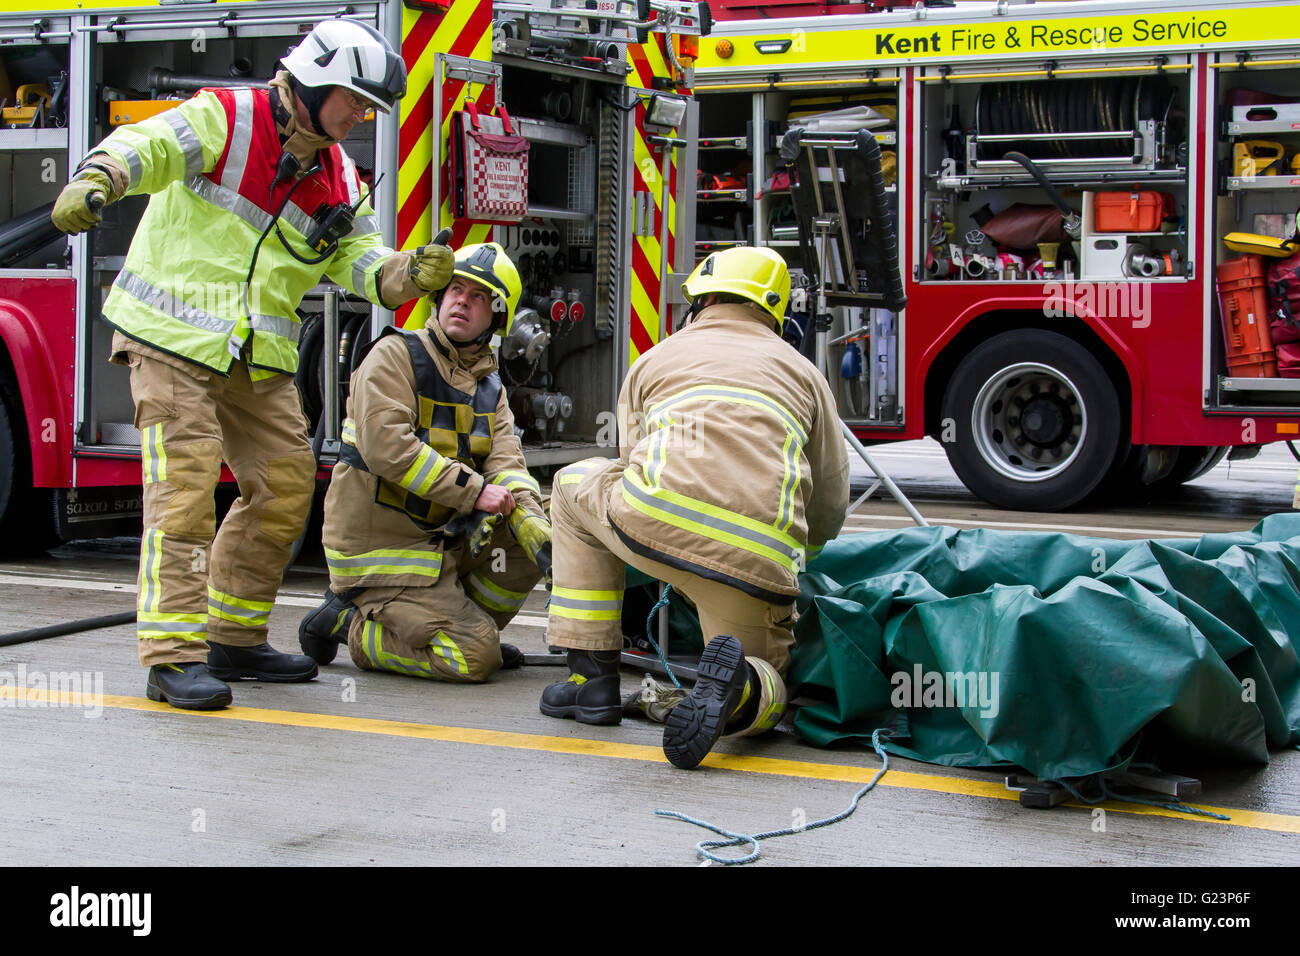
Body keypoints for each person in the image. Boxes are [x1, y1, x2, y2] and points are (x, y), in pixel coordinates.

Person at [50, 20, 456, 711]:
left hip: (253, 356)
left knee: (286, 488)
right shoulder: (229, 120)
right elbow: (149, 144)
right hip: (170, 338)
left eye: (367, 108)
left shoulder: (337, 173)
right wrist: (100, 176)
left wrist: (407, 274)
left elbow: (359, 266)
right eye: (355, 101)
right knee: (184, 493)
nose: (361, 116)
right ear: (318, 82)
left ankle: (232, 639)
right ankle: (172, 657)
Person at [539, 246, 849, 768]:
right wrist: (799, 559)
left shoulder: (655, 359)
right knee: (774, 684)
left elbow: (628, 461)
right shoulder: (804, 373)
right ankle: (741, 687)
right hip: (755, 560)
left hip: (654, 522)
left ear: (698, 303)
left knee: (574, 486)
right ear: (775, 313)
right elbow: (831, 499)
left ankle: (591, 680)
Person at [298, 242, 552, 683]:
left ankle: (472, 627)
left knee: (527, 535)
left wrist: (529, 514)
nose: (461, 300)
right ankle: (354, 627)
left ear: (497, 317)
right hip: (383, 552)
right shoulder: (395, 356)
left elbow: (506, 459)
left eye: (478, 297)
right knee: (473, 659)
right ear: (439, 296)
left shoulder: (491, 388)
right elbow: (387, 449)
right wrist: (475, 492)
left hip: (439, 543)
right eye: (455, 289)